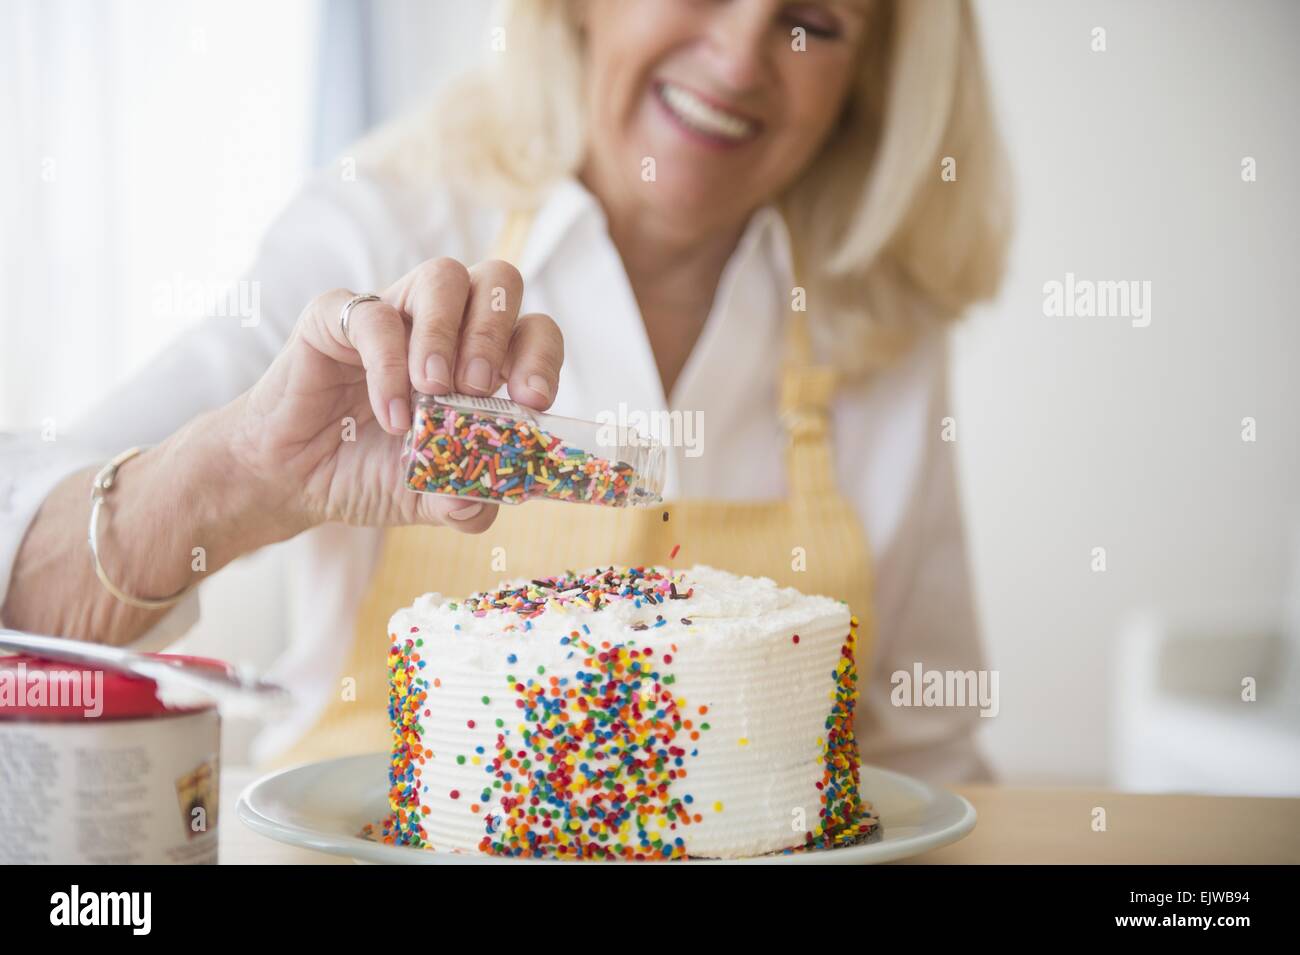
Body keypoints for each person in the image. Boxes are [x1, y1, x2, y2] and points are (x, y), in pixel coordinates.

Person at [0, 0, 1010, 778]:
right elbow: (23, 590)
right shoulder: (377, 227)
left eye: (811, 22)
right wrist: (243, 476)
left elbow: (924, 756)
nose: (743, 56)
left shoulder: (877, 327)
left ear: (867, 82)